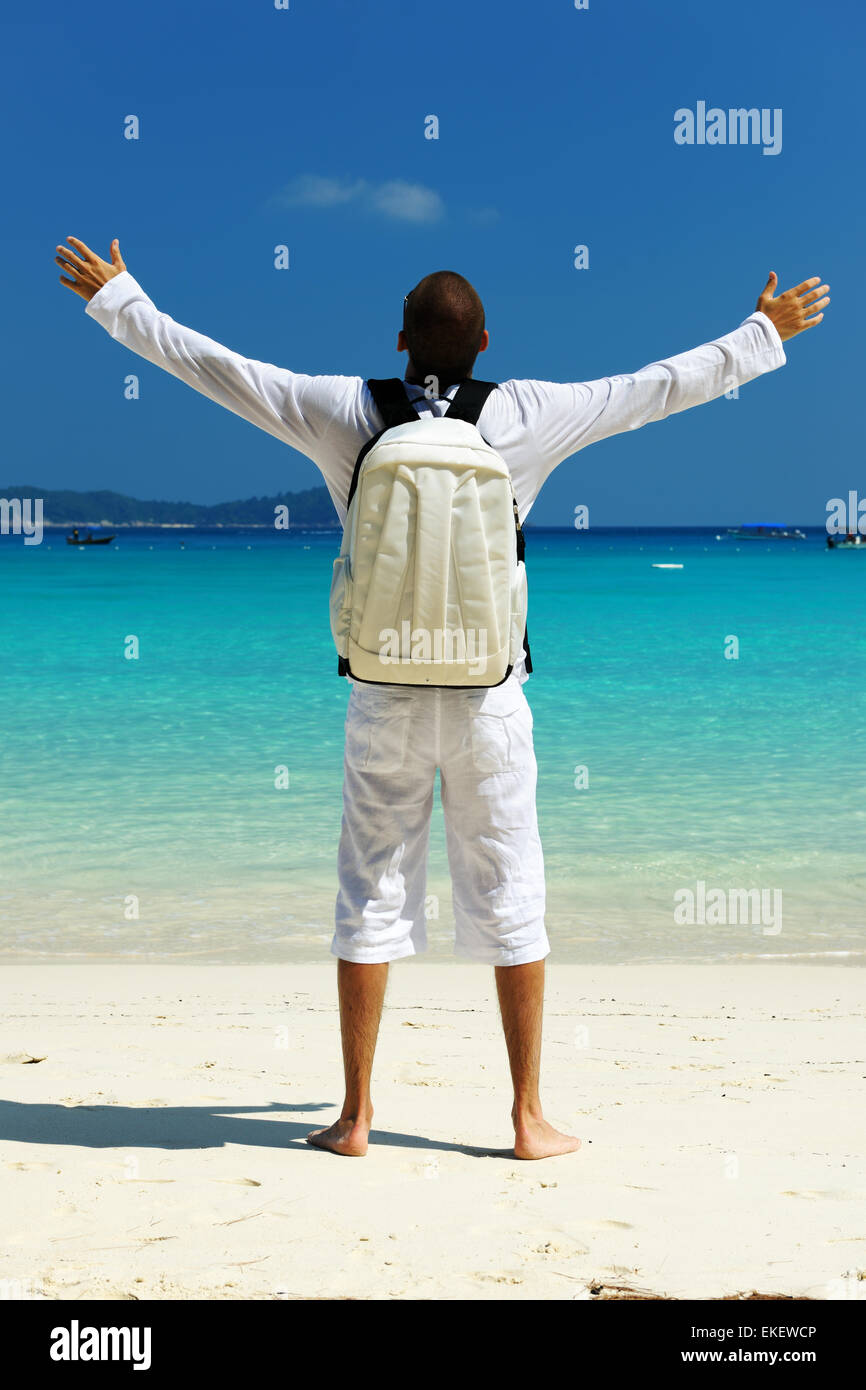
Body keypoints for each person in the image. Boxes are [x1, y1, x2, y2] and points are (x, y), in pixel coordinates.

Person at [56, 235, 829, 1159]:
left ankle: (354, 1116)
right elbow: (655, 387)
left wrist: (121, 299)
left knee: (370, 891)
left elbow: (212, 366)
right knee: (512, 894)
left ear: (399, 342)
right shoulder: (530, 415)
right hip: (487, 698)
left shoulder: (341, 410)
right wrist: (760, 332)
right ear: (486, 344)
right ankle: (527, 1118)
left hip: (382, 691)